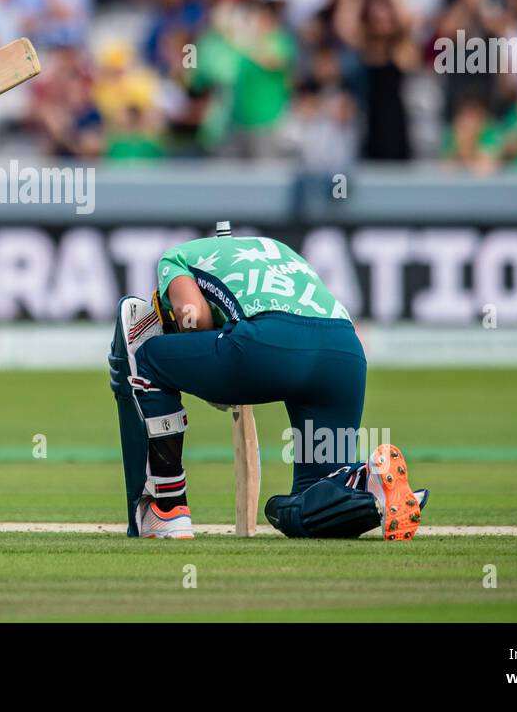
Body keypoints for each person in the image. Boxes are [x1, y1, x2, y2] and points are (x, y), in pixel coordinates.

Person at [108, 225, 429, 541]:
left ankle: (167, 510)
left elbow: (192, 314)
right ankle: (370, 484)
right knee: (304, 502)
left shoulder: (175, 258)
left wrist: (207, 368)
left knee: (146, 357)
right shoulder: (274, 248)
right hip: (344, 353)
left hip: (270, 344)